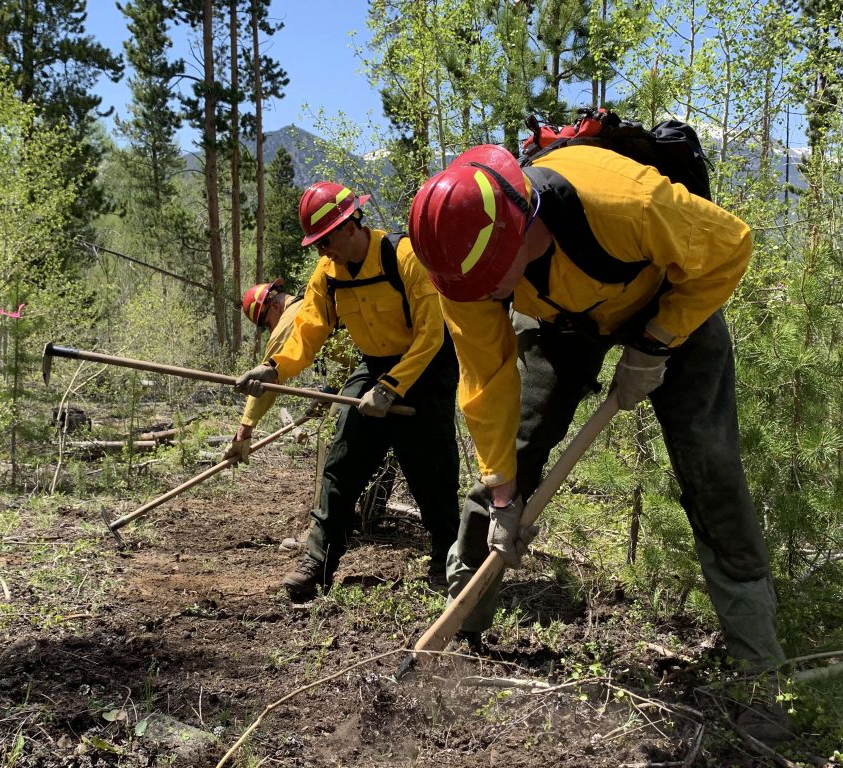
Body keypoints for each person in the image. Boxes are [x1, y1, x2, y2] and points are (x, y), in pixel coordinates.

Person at [407, 143, 788, 679]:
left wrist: (658, 341)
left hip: (674, 303)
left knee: (711, 470)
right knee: (513, 453)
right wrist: (502, 493)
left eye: (490, 280)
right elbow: (486, 383)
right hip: (565, 324)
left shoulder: (627, 203)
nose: (483, 295)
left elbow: (730, 245)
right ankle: (461, 616)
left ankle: (759, 663)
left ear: (517, 230)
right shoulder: (460, 267)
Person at [235, 181, 460, 601]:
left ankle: (447, 561)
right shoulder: (328, 273)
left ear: (351, 224)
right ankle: (317, 564)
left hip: (426, 366)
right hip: (375, 364)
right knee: (342, 463)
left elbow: (432, 335)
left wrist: (392, 389)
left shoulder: (405, 256)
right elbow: (309, 331)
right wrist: (273, 369)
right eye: (316, 243)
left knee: (432, 472)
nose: (322, 251)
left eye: (325, 240)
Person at [222, 278, 305, 465]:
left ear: (274, 304)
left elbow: (266, 379)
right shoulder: (301, 306)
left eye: (267, 323)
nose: (270, 329)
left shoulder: (289, 318)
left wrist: (243, 433)